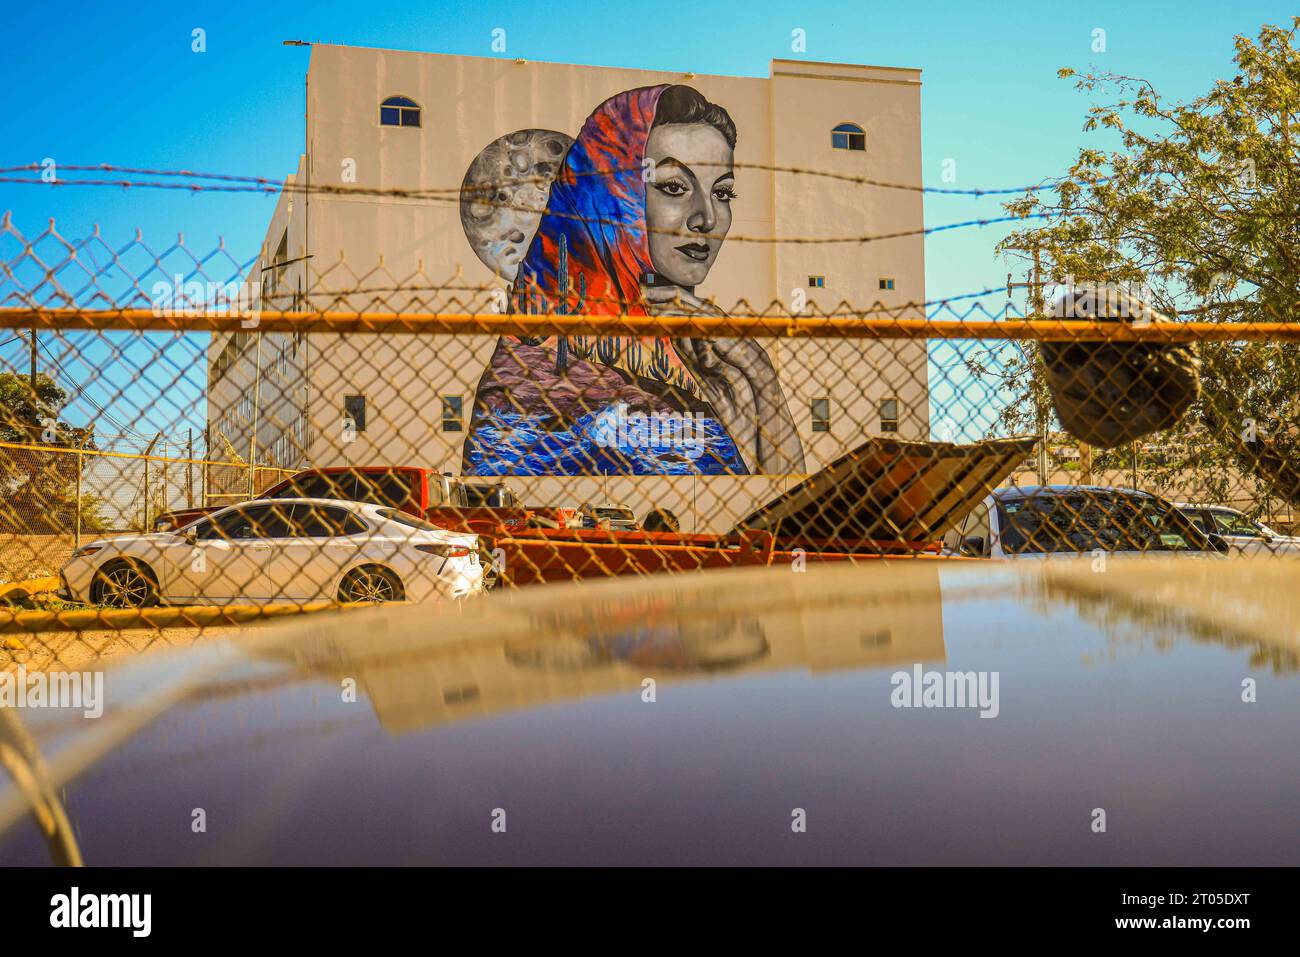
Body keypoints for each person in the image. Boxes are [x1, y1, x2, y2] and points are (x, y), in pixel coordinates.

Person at [463, 85, 805, 477]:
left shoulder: (707, 360)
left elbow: (789, 505)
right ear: (613, 198)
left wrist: (759, 374)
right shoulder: (531, 374)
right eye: (674, 187)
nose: (707, 218)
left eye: (722, 192)